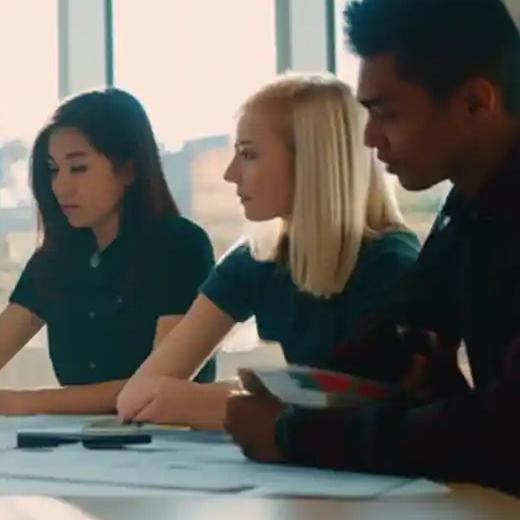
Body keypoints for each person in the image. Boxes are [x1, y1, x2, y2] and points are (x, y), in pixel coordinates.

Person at [226, 0, 520, 496]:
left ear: (476, 102)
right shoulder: (470, 208)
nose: (369, 139)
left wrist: (293, 433)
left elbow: (506, 432)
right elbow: (396, 333)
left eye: (387, 114)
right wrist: (293, 392)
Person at [116, 73, 419, 430]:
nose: (231, 174)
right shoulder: (255, 258)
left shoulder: (391, 266)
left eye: (249, 154)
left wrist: (228, 404)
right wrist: (247, 403)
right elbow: (136, 396)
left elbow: (369, 416)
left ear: (311, 162)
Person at [0, 89, 216, 421]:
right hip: (82, 444)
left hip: (172, 443)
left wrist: (26, 402)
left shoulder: (181, 246)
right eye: (54, 170)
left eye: (78, 168)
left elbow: (156, 386)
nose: (61, 187)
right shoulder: (57, 257)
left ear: (128, 169)